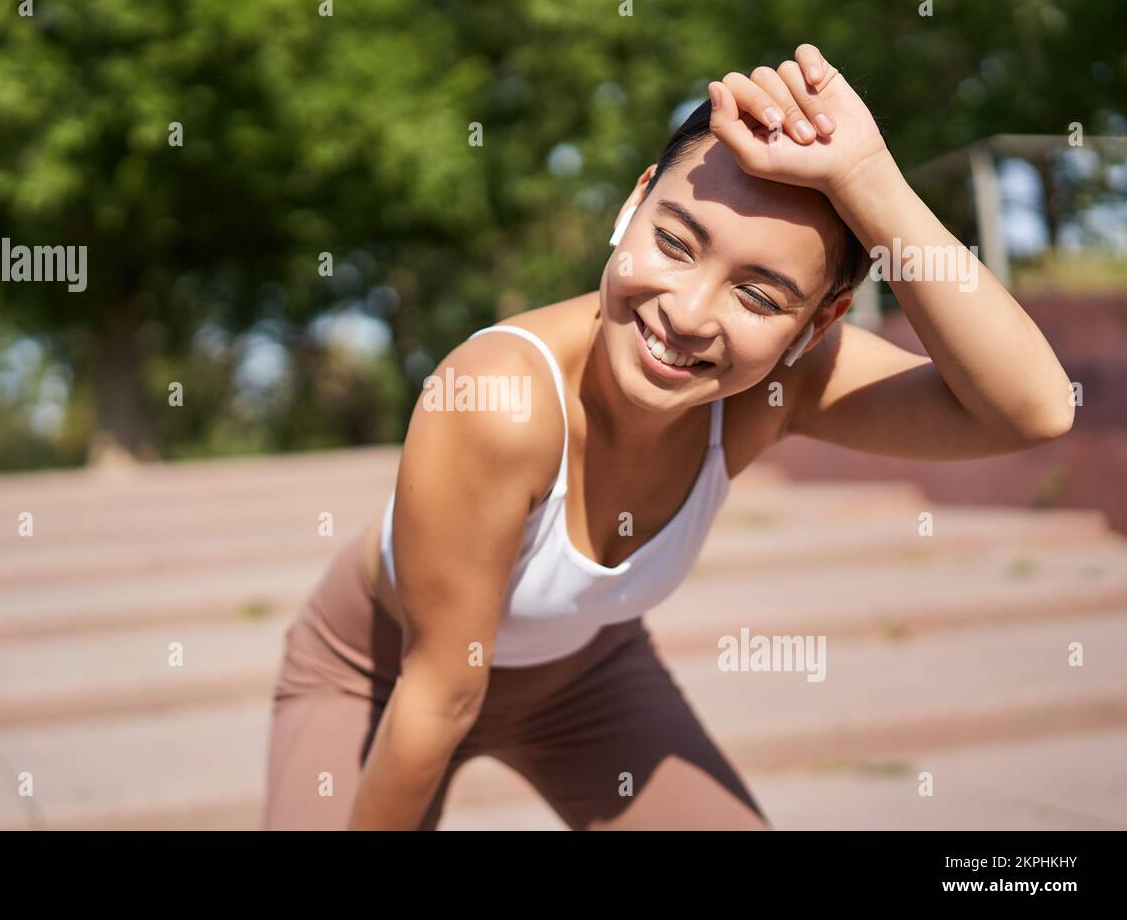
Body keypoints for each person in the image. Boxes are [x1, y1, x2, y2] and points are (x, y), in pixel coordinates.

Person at [262, 43, 1074, 831]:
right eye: (675, 243)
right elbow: (439, 698)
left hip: (585, 680)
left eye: (759, 298)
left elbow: (1030, 411)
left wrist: (869, 181)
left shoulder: (776, 389)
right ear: (634, 201)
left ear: (819, 322)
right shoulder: (497, 400)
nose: (686, 315)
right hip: (379, 672)